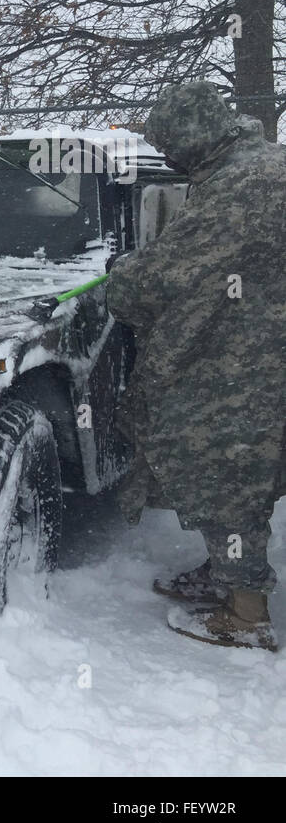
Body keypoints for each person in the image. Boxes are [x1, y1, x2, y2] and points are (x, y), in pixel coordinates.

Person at [108, 81, 286, 652]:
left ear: (190, 138)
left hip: (244, 361)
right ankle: (227, 570)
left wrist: (120, 278)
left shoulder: (242, 187)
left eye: (170, 149)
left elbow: (159, 279)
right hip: (257, 345)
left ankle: (244, 613)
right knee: (242, 464)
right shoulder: (263, 165)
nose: (169, 160)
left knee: (224, 465)